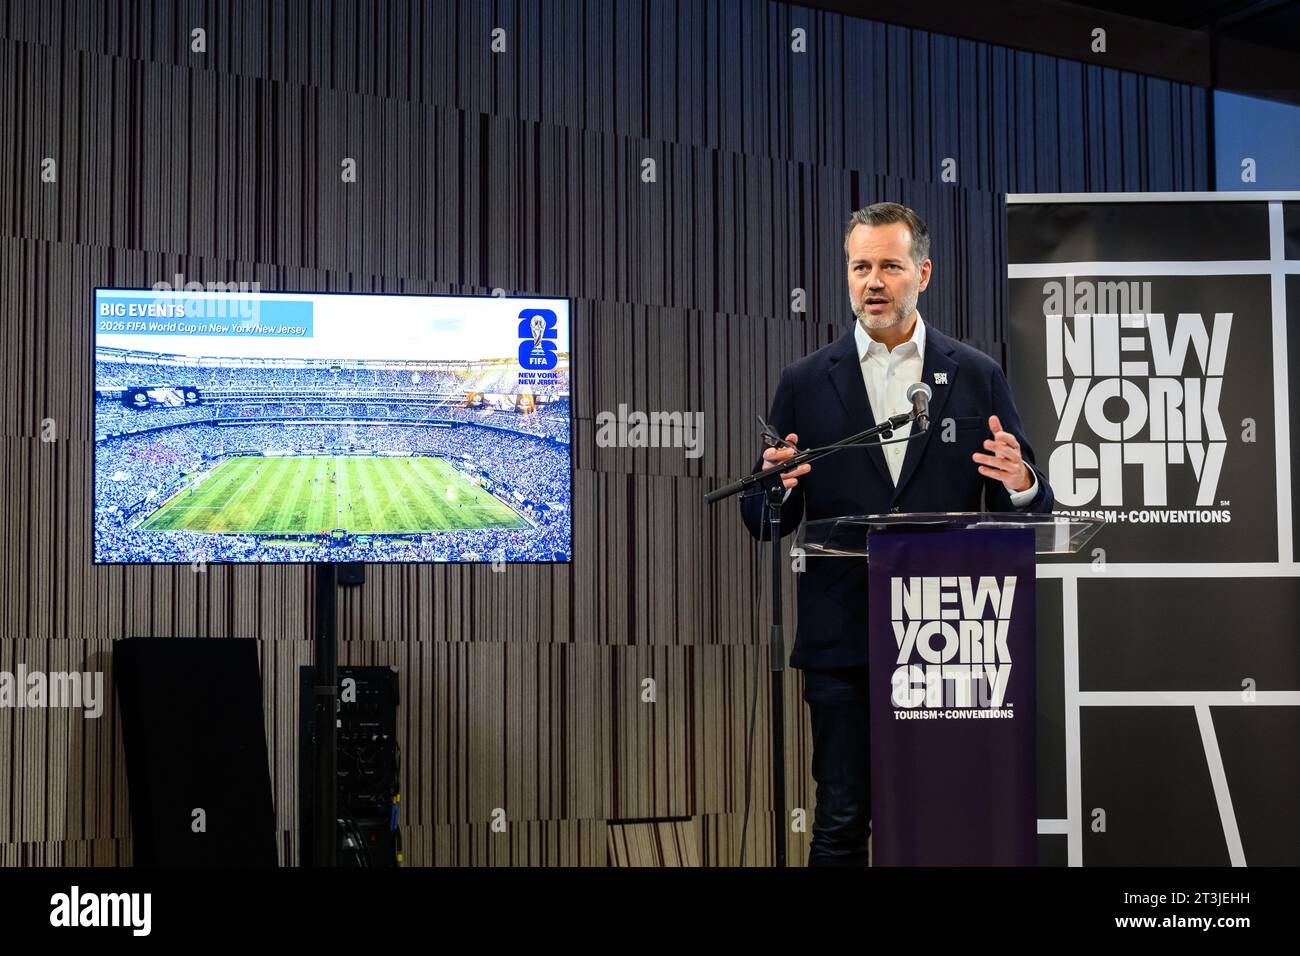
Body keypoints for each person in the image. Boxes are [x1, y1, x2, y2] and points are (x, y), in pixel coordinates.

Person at [740, 202, 1054, 867]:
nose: (872, 282)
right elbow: (767, 520)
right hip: (842, 637)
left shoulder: (974, 375)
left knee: (946, 821)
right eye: (860, 267)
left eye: (889, 265)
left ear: (924, 272)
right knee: (842, 821)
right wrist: (776, 487)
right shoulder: (803, 383)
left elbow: (1027, 504)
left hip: (945, 641)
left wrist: (1021, 478)